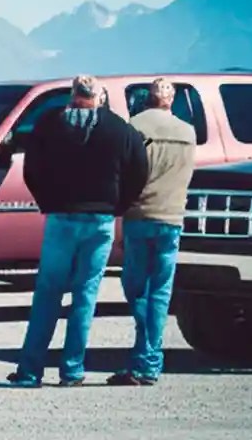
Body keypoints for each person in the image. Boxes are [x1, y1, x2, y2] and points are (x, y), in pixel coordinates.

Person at [8, 75, 149, 388]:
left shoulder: (49, 124)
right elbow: (140, 170)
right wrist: (118, 205)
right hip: (100, 220)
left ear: (72, 96)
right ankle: (72, 371)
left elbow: (31, 169)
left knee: (48, 293)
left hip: (61, 217)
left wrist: (47, 200)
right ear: (98, 97)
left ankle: (30, 371)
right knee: (85, 295)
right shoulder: (120, 129)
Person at [108, 78, 196, 387]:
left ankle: (145, 357)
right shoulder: (188, 132)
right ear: (170, 100)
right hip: (172, 217)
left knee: (135, 287)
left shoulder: (134, 127)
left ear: (147, 98)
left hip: (140, 215)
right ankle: (149, 361)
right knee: (160, 291)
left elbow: (123, 170)